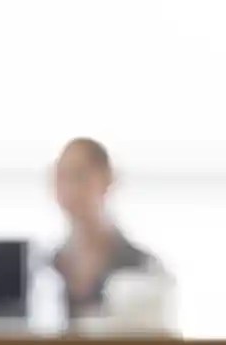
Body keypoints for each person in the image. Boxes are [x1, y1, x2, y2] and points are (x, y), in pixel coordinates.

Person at [51, 137, 157, 322]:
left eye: (79, 176)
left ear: (107, 179)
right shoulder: (47, 268)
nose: (70, 190)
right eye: (62, 177)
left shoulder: (143, 267)